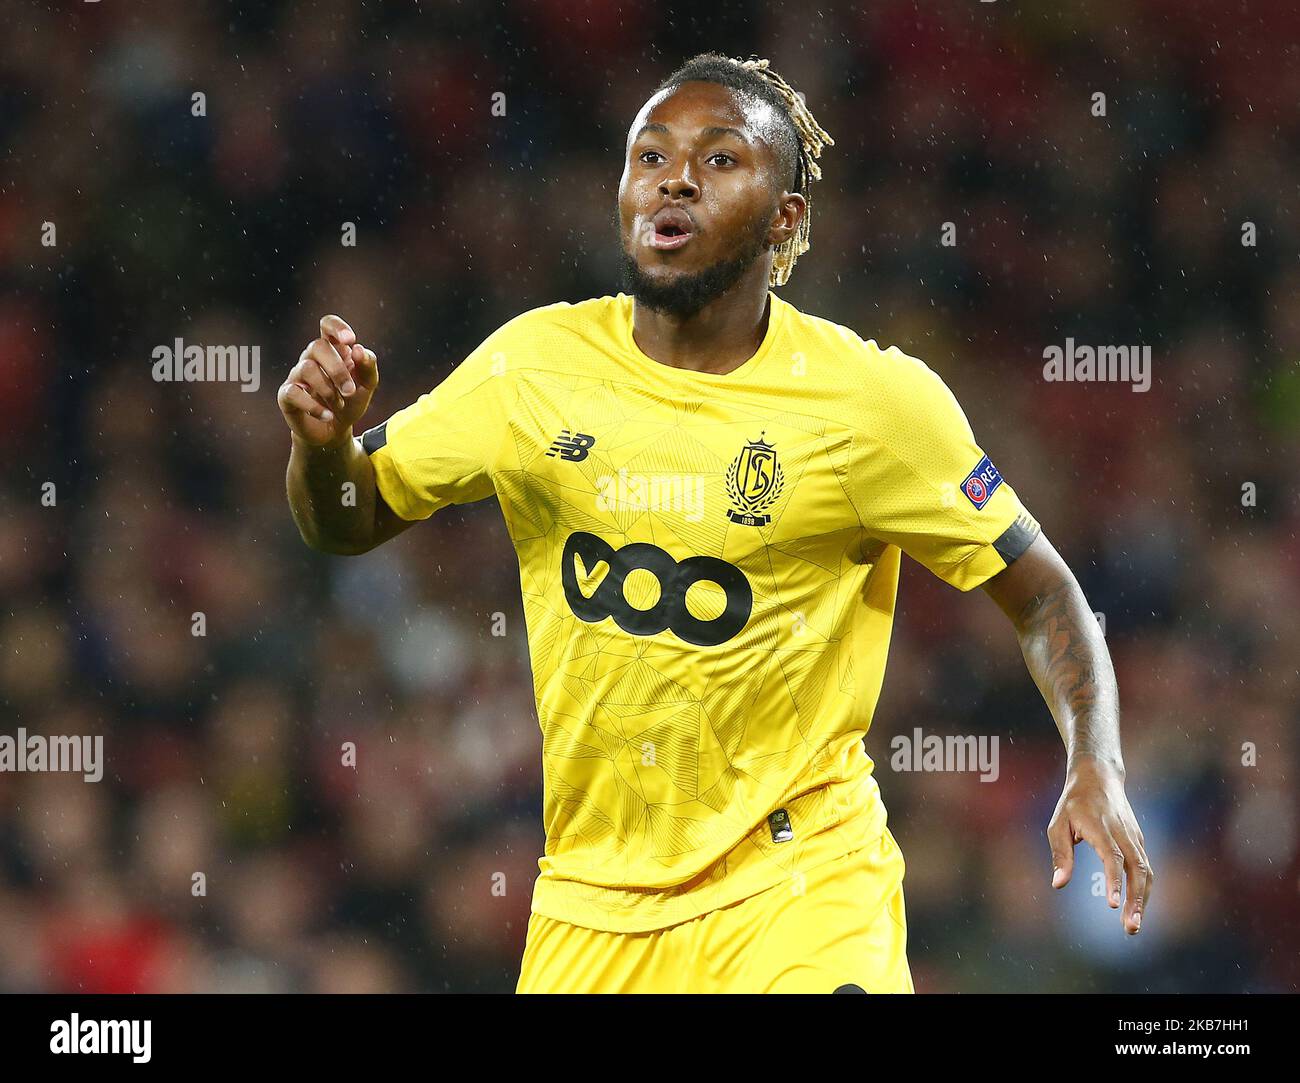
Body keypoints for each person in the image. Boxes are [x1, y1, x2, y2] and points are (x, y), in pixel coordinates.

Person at [277, 53, 1152, 993]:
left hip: (798, 881)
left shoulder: (874, 404)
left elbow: (1043, 591)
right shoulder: (533, 367)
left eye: (721, 158)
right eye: (649, 155)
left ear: (786, 220)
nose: (676, 175)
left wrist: (1093, 760)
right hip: (593, 904)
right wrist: (325, 445)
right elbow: (346, 521)